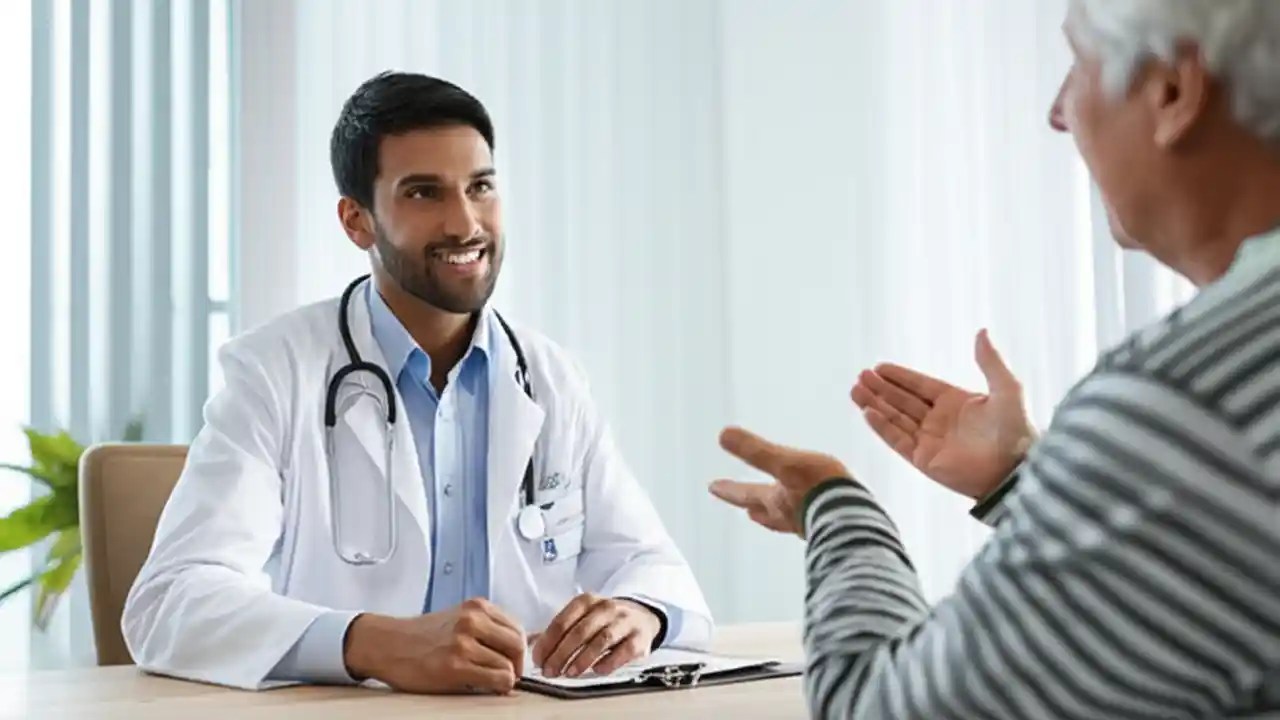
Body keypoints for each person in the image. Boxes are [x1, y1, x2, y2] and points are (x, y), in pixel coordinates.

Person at [710, 1, 1280, 717]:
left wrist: (835, 506)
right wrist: (1028, 480)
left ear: (1172, 89)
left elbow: (883, 707)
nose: (1057, 113)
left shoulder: (1189, 404)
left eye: (1077, 63)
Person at [123, 71, 711, 694]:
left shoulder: (549, 378)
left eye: (481, 188)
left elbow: (653, 567)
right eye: (424, 194)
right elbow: (170, 601)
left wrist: (639, 613)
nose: (465, 224)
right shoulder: (274, 372)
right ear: (357, 221)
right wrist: (371, 643)